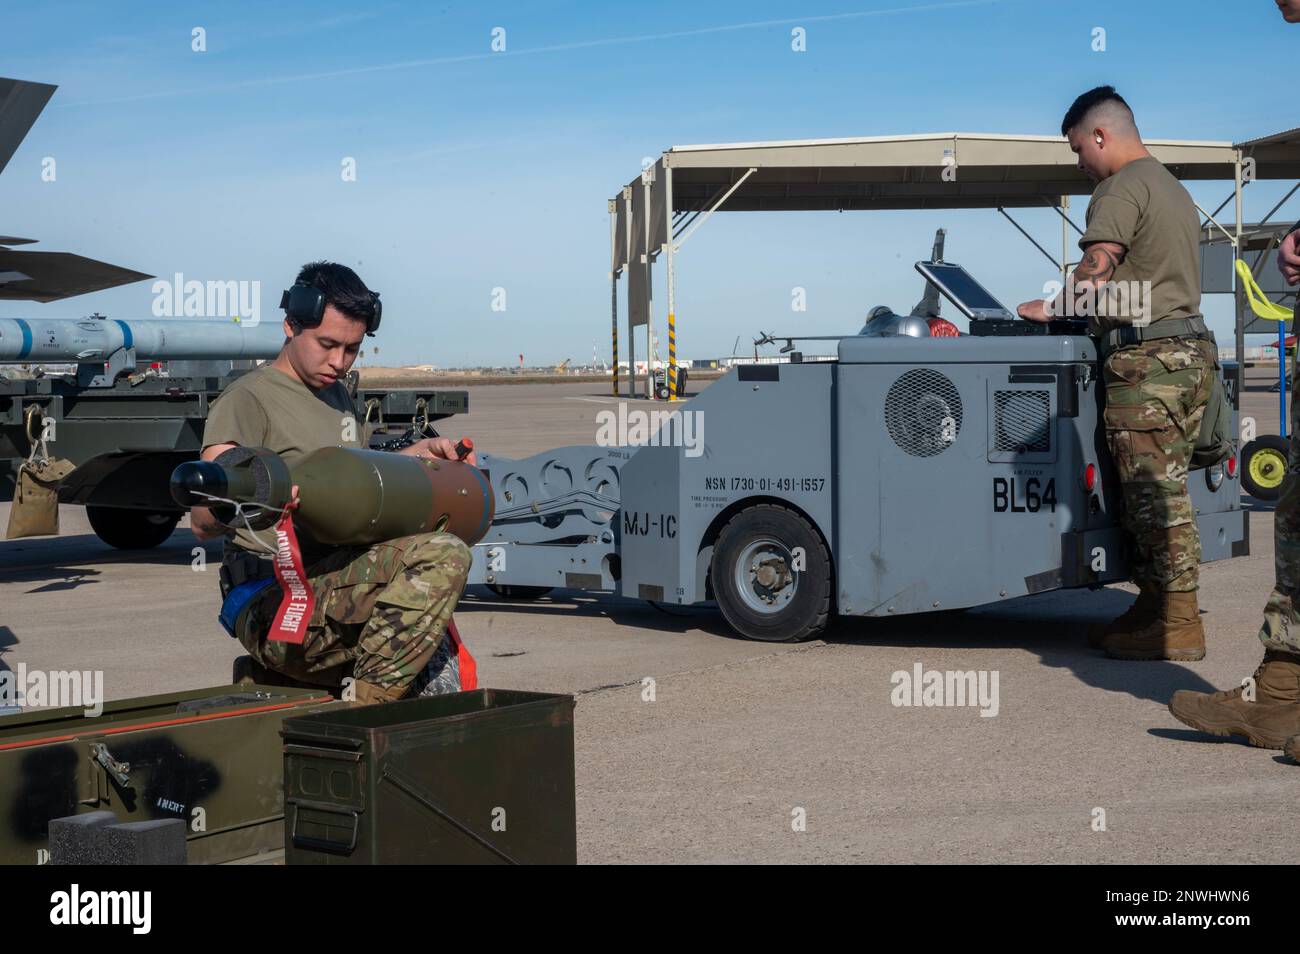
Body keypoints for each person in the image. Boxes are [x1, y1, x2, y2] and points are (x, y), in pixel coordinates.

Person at [190, 261, 474, 705]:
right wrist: (255, 493)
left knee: (433, 647)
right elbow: (202, 523)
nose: (339, 362)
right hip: (274, 598)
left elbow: (352, 483)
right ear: (290, 325)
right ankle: (365, 713)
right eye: (327, 344)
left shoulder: (337, 395)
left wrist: (420, 459)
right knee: (441, 556)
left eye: (352, 349)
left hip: (332, 580)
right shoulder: (248, 400)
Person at [1017, 86, 1217, 661]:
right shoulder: (1170, 186)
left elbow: (1099, 264)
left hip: (1149, 363)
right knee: (1150, 490)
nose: (1079, 162)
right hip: (1184, 352)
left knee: (1154, 493)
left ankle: (1178, 623)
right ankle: (1154, 609)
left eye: (1079, 148)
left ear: (1100, 136)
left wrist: (1053, 307)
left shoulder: (1120, 187)